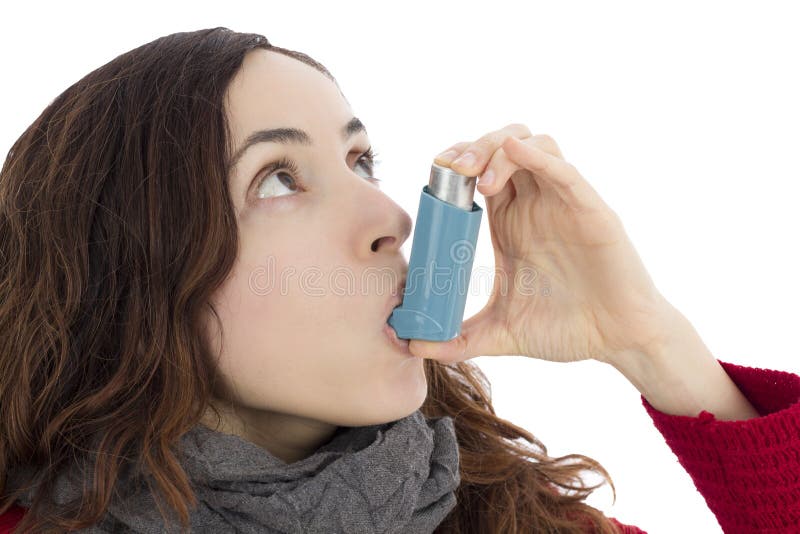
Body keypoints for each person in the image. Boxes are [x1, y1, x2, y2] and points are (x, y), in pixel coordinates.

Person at [0, 27, 798, 534]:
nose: (392, 215)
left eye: (360, 161)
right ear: (129, 268)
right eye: (279, 178)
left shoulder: (530, 524)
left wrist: (649, 339)